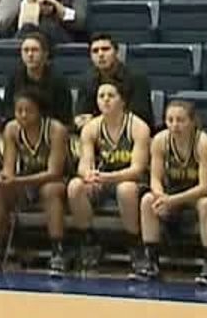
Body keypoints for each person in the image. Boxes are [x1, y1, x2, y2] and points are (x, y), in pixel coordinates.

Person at [0, 88, 69, 274]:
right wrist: (8, 179)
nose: (22, 115)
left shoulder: (56, 130)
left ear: (39, 111)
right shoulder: (12, 129)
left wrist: (19, 182)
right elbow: (9, 168)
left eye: (28, 110)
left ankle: (58, 251)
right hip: (26, 179)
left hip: (56, 180)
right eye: (18, 110)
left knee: (50, 190)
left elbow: (55, 172)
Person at [65, 81, 151, 272]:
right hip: (103, 179)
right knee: (75, 187)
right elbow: (84, 164)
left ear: (123, 101)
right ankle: (88, 240)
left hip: (132, 181)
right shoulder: (91, 128)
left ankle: (135, 243)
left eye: (111, 96)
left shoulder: (138, 128)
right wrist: (88, 175)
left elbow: (137, 169)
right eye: (101, 96)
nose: (105, 100)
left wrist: (107, 178)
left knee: (126, 189)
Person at [135, 98, 207, 285]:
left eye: (180, 120)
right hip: (172, 191)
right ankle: (151, 261)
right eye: (170, 120)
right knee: (147, 200)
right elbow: (155, 178)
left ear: (192, 122)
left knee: (206, 204)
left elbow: (205, 187)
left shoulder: (203, 143)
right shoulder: (160, 140)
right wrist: (161, 197)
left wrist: (172, 201)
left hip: (198, 193)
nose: (175, 125)